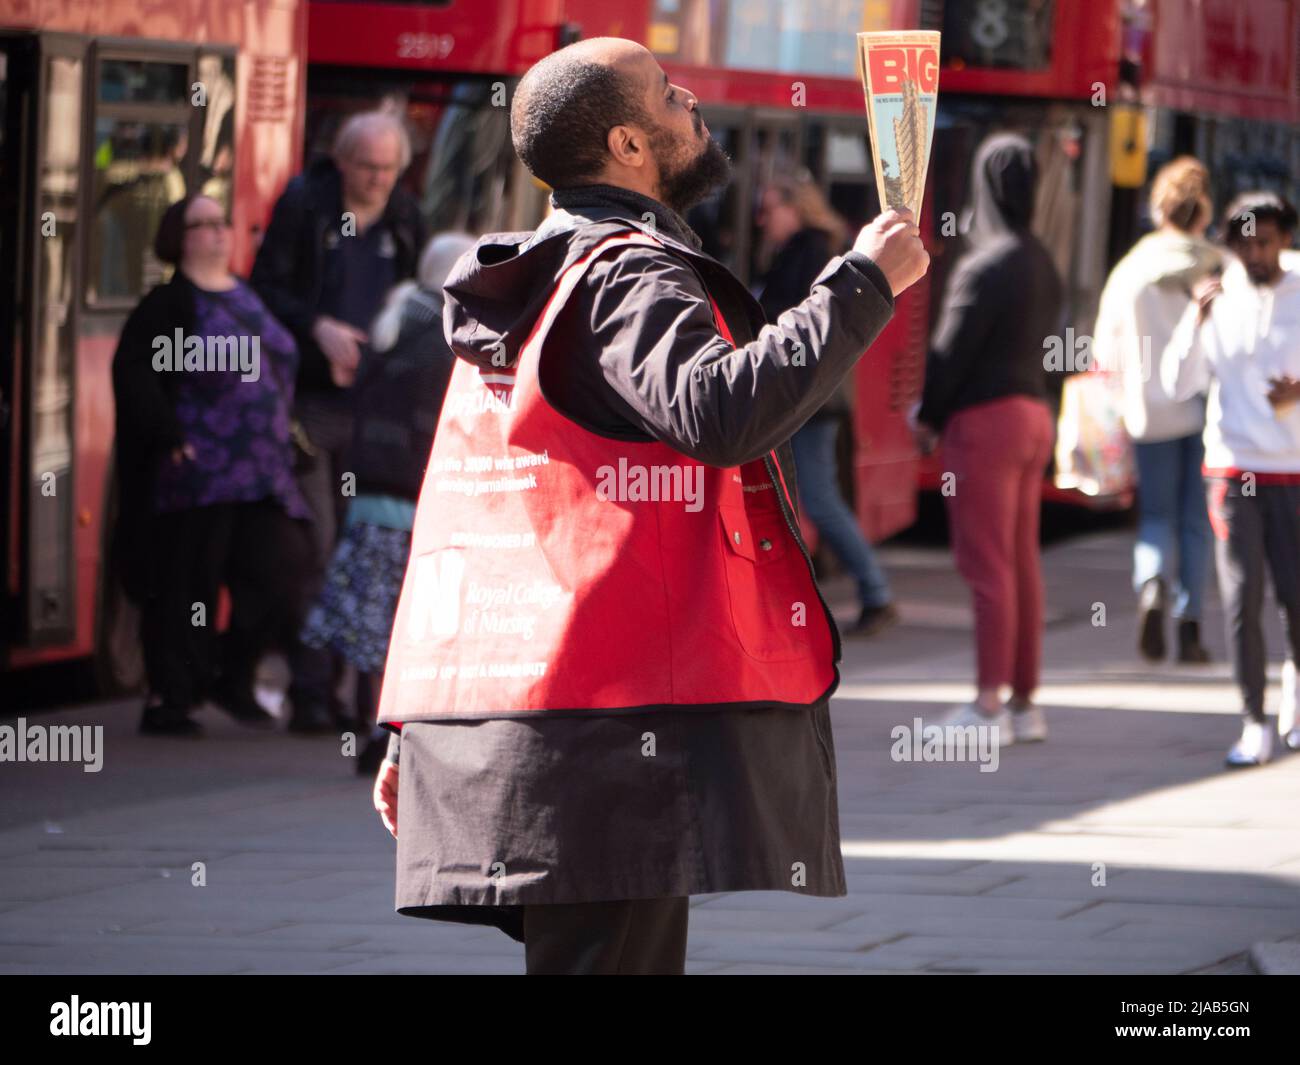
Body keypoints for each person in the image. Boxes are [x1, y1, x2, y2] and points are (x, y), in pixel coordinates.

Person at [369, 36, 928, 975]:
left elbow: (476, 522)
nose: (693, 106)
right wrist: (862, 284)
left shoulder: (528, 288)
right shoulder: (626, 272)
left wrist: (429, 722)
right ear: (629, 145)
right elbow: (722, 410)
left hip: (522, 715)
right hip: (611, 722)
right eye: (671, 98)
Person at [250, 110, 429, 734]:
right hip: (311, 405)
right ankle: (313, 693)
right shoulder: (306, 206)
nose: (378, 180)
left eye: (389, 169)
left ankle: (365, 697)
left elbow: (420, 304)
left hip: (378, 414)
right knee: (318, 547)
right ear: (343, 161)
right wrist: (317, 329)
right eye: (367, 167)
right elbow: (264, 291)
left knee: (375, 552)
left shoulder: (405, 215)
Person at [111, 195, 313, 736]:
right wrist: (166, 435)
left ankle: (230, 674)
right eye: (202, 225)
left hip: (264, 474)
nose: (217, 233)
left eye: (223, 222)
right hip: (198, 475)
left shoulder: (248, 296)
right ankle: (171, 699)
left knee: (284, 574)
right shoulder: (166, 305)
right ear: (179, 237)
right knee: (186, 587)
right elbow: (135, 375)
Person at [300, 232, 476, 775]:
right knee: (404, 622)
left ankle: (363, 728)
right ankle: (388, 736)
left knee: (368, 622)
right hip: (414, 497)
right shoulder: (447, 334)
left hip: (369, 492)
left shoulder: (395, 318)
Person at [914, 132, 1062, 745]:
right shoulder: (1041, 261)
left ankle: (988, 705)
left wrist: (927, 416)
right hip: (1033, 417)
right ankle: (1025, 702)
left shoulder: (983, 263)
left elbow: (950, 353)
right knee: (1022, 562)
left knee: (986, 565)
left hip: (987, 424)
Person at [1163, 192, 1300, 767]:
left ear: (1284, 239)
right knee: (1243, 598)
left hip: (1293, 469)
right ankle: (1253, 723)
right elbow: (1175, 384)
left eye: (1264, 240)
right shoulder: (1216, 298)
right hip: (1233, 468)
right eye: (1243, 241)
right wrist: (1194, 321)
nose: (1254, 252)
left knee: (1296, 598)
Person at [755, 173, 899, 636]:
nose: (762, 220)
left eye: (769, 208)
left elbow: (782, 321)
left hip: (813, 398)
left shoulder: (808, 252)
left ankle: (876, 593)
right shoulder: (806, 250)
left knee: (817, 497)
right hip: (815, 394)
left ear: (796, 208)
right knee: (802, 496)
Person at [1095, 157, 1219, 664]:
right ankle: (1190, 628)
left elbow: (1104, 345)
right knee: (1196, 521)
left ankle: (1150, 585)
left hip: (1149, 411)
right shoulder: (1219, 265)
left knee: (1157, 516)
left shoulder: (1132, 270)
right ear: (1203, 209)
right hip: (1207, 412)